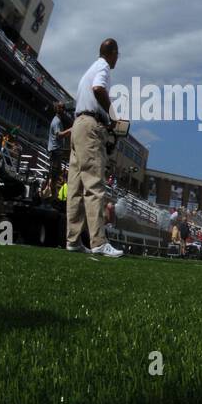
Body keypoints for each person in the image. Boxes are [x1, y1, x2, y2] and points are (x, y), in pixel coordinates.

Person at [66, 39, 125, 257]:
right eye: (117, 54)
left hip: (77, 126)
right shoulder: (103, 67)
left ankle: (72, 240)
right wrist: (113, 117)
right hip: (90, 126)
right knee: (94, 184)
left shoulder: (90, 69)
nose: (117, 58)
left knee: (76, 186)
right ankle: (98, 241)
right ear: (112, 53)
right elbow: (98, 88)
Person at [46, 102, 71, 185]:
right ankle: (50, 194)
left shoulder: (58, 120)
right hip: (55, 151)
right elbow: (59, 135)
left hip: (57, 151)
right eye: (62, 107)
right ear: (57, 109)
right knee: (54, 174)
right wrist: (71, 129)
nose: (64, 110)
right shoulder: (56, 121)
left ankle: (53, 194)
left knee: (57, 173)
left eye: (64, 108)